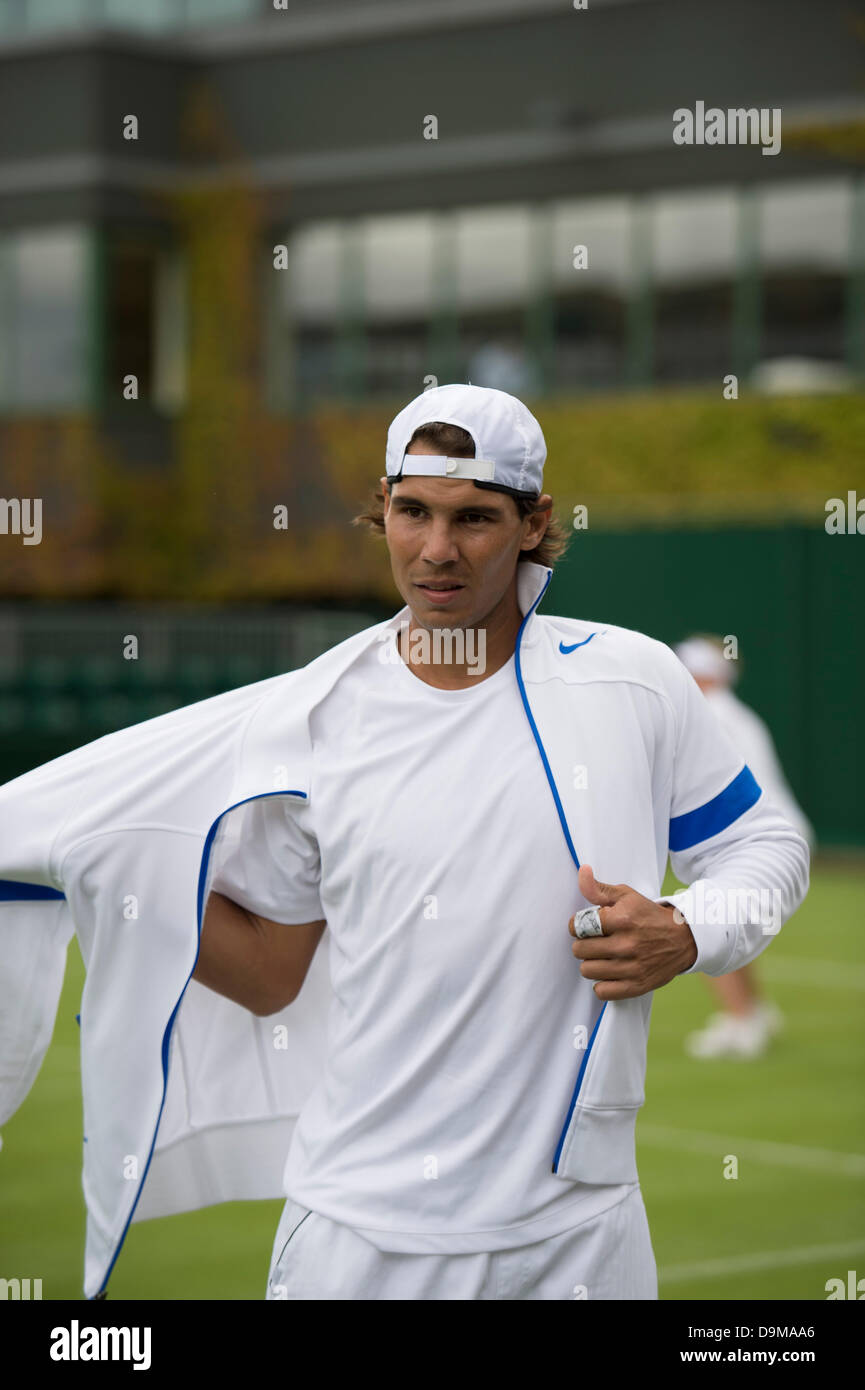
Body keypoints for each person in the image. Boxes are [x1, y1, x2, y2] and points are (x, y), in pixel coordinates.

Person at [188, 383, 810, 1301]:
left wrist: (686, 927)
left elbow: (765, 848)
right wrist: (131, 888)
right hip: (359, 1244)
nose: (436, 551)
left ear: (533, 523)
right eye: (412, 512)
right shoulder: (307, 716)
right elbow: (272, 970)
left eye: (473, 517)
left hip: (579, 1243)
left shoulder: (634, 680)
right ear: (383, 512)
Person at [674, 635, 816, 1061]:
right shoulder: (739, 713)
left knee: (706, 923)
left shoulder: (707, 713)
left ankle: (742, 1022)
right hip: (773, 836)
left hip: (747, 839)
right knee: (724, 923)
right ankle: (753, 1013)